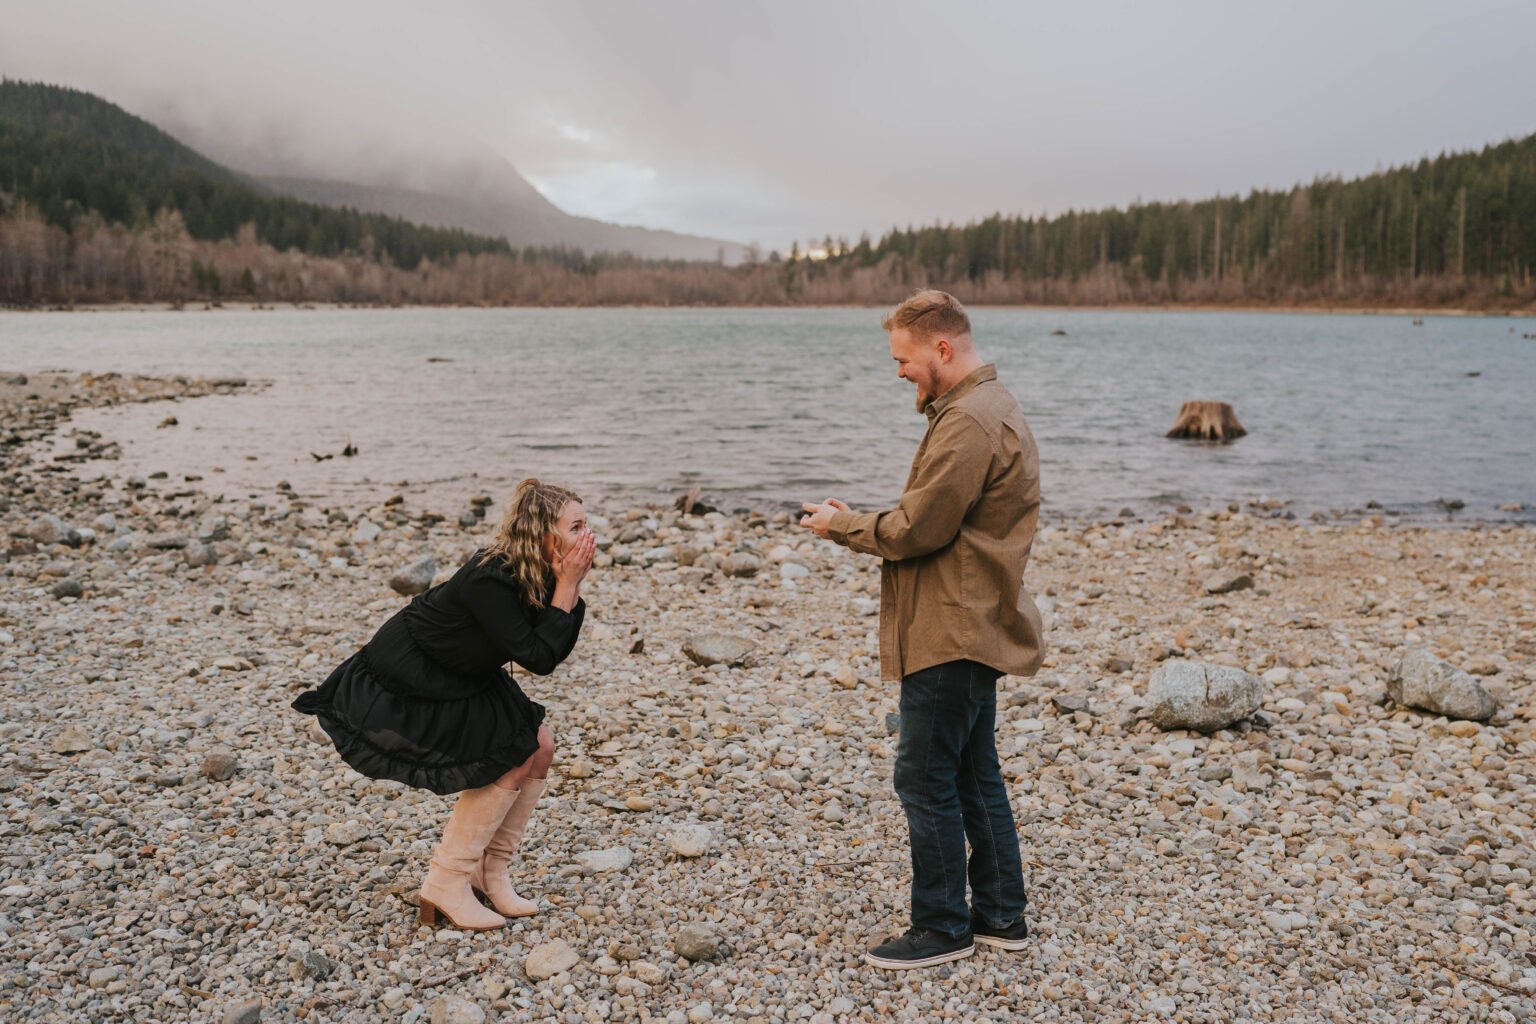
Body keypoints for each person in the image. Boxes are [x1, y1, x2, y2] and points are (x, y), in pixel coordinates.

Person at [800, 290, 1045, 970]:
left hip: (952, 626)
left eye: (904, 359)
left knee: (924, 777)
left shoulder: (969, 421)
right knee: (973, 773)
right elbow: (936, 516)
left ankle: (941, 928)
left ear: (943, 348)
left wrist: (837, 526)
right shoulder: (982, 410)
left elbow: (918, 529)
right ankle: (1000, 915)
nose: (899, 372)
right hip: (971, 620)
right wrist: (859, 517)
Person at [292, 478, 594, 931]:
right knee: (512, 755)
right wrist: (567, 586)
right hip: (417, 670)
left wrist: (567, 587)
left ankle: (489, 874)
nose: (586, 538)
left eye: (585, 526)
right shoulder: (491, 576)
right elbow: (536, 658)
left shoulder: (543, 573)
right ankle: (445, 883)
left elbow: (549, 649)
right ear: (543, 532)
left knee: (541, 747)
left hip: (467, 669)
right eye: (576, 527)